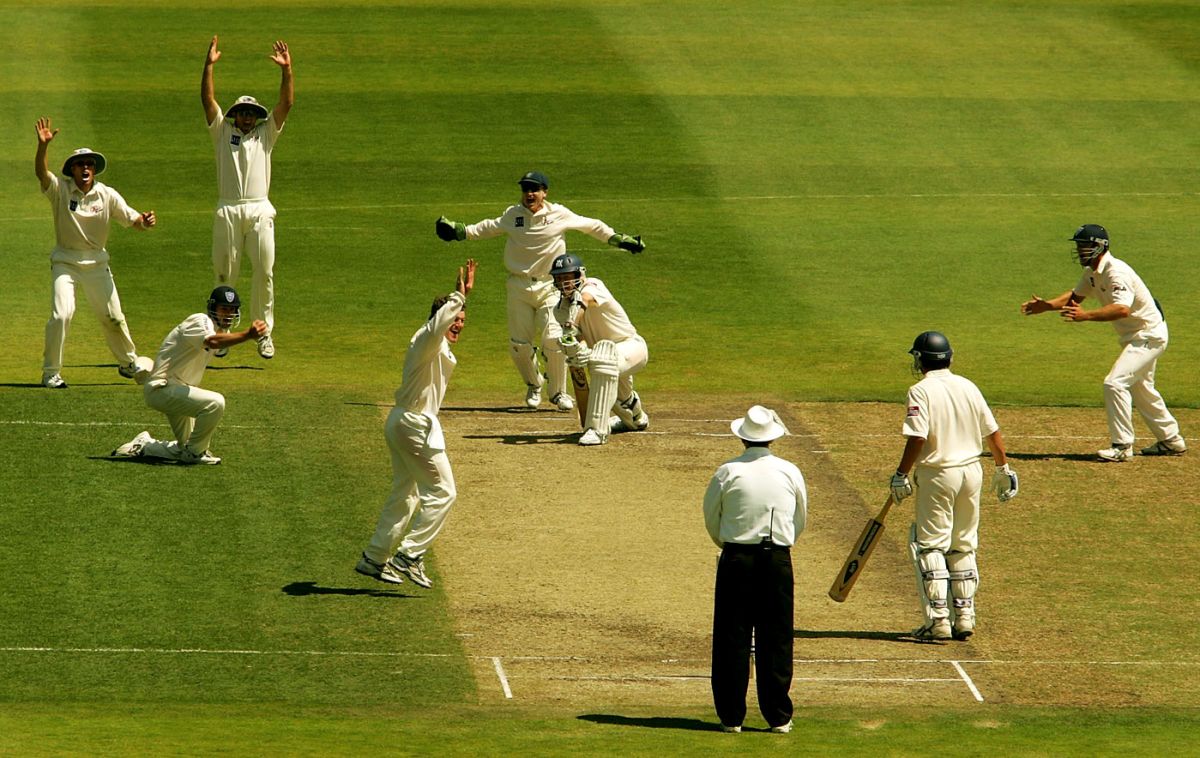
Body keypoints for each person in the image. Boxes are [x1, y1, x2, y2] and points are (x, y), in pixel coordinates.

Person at [435, 171, 644, 411]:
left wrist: (618, 239)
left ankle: (558, 393)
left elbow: (591, 225)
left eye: (534, 189)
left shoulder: (559, 214)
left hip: (550, 286)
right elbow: (486, 228)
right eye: (525, 189)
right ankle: (534, 385)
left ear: (545, 192)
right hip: (518, 285)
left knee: (554, 338)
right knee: (519, 344)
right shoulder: (513, 215)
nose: (529, 194)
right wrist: (458, 231)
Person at [355, 259, 477, 589]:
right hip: (412, 422)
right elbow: (440, 325)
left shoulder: (436, 342)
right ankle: (409, 556)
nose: (459, 325)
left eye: (463, 321)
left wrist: (460, 302)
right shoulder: (427, 338)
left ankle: (374, 557)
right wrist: (459, 295)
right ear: (440, 317)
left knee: (406, 495)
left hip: (404, 422)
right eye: (455, 319)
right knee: (444, 493)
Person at [889, 331, 1018, 641]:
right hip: (972, 472)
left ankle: (939, 621)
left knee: (931, 544)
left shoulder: (920, 390)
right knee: (962, 543)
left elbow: (918, 437)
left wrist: (901, 474)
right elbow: (993, 432)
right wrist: (1003, 468)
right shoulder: (968, 386)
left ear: (920, 359)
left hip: (938, 473)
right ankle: (965, 616)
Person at [1021, 224, 1186, 462]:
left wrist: (1085, 316)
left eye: (1084, 246)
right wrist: (1047, 306)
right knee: (1142, 389)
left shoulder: (1116, 272)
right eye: (1078, 246)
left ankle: (1121, 446)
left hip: (1148, 335)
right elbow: (1075, 296)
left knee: (1114, 383)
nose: (1079, 250)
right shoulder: (1092, 272)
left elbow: (1121, 308)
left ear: (1100, 247)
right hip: (1136, 337)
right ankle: (1171, 440)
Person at [703, 405, 806, 735]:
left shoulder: (728, 471)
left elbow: (711, 519)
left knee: (732, 638)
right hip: (777, 559)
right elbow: (799, 520)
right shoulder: (790, 471)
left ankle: (731, 717)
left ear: (743, 438)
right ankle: (778, 716)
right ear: (773, 437)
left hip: (736, 559)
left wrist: (730, 545)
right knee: (776, 638)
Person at [34, 117, 157, 389]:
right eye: (80, 164)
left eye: (89, 164)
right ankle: (50, 372)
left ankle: (128, 362)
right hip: (66, 262)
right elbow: (42, 174)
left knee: (113, 317)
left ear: (94, 169)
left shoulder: (107, 195)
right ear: (72, 170)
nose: (86, 168)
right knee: (61, 315)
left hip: (97, 264)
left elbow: (132, 219)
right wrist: (43, 147)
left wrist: (144, 222)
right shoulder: (61, 190)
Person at [201, 35, 294, 360]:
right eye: (241, 112)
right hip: (227, 210)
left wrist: (287, 72)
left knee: (264, 271)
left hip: (260, 210)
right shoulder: (222, 132)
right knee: (225, 274)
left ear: (256, 116)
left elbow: (286, 105)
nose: (246, 117)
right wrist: (208, 66)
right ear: (235, 114)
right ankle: (222, 333)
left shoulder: (266, 134)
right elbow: (207, 100)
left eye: (251, 113)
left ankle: (264, 333)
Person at [110, 286, 267, 465]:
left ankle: (145, 446)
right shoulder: (199, 321)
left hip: (180, 390)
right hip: (163, 389)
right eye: (224, 309)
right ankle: (194, 454)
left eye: (233, 310)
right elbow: (212, 342)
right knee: (215, 403)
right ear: (213, 309)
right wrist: (248, 335)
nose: (229, 314)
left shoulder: (221, 331)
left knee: (185, 446)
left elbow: (218, 342)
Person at [548, 252, 649, 446]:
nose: (563, 283)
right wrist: (578, 351)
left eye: (567, 277)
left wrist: (571, 324)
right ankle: (636, 418)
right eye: (559, 278)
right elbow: (581, 339)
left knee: (602, 362)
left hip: (632, 347)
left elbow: (585, 301)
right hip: (607, 356)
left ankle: (596, 429)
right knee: (620, 398)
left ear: (579, 275)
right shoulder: (559, 309)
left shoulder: (593, 285)